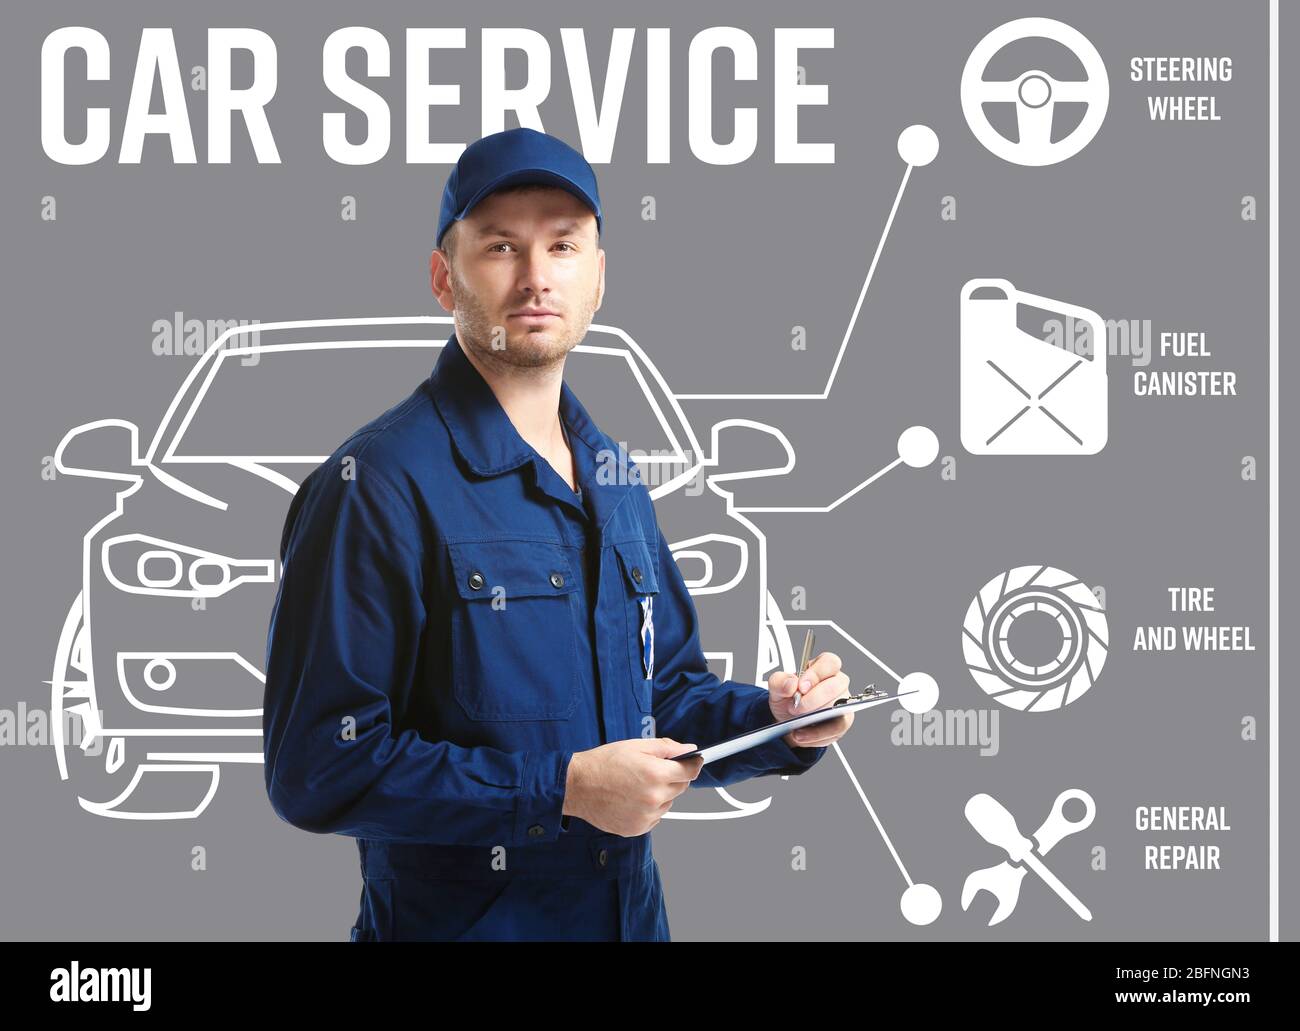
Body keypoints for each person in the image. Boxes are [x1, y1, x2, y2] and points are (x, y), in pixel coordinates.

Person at [262, 126, 856, 941]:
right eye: (501, 245)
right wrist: (562, 790)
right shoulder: (377, 486)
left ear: (599, 278)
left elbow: (665, 697)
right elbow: (317, 769)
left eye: (564, 245)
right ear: (444, 277)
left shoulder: (613, 477)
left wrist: (777, 720)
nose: (537, 277)